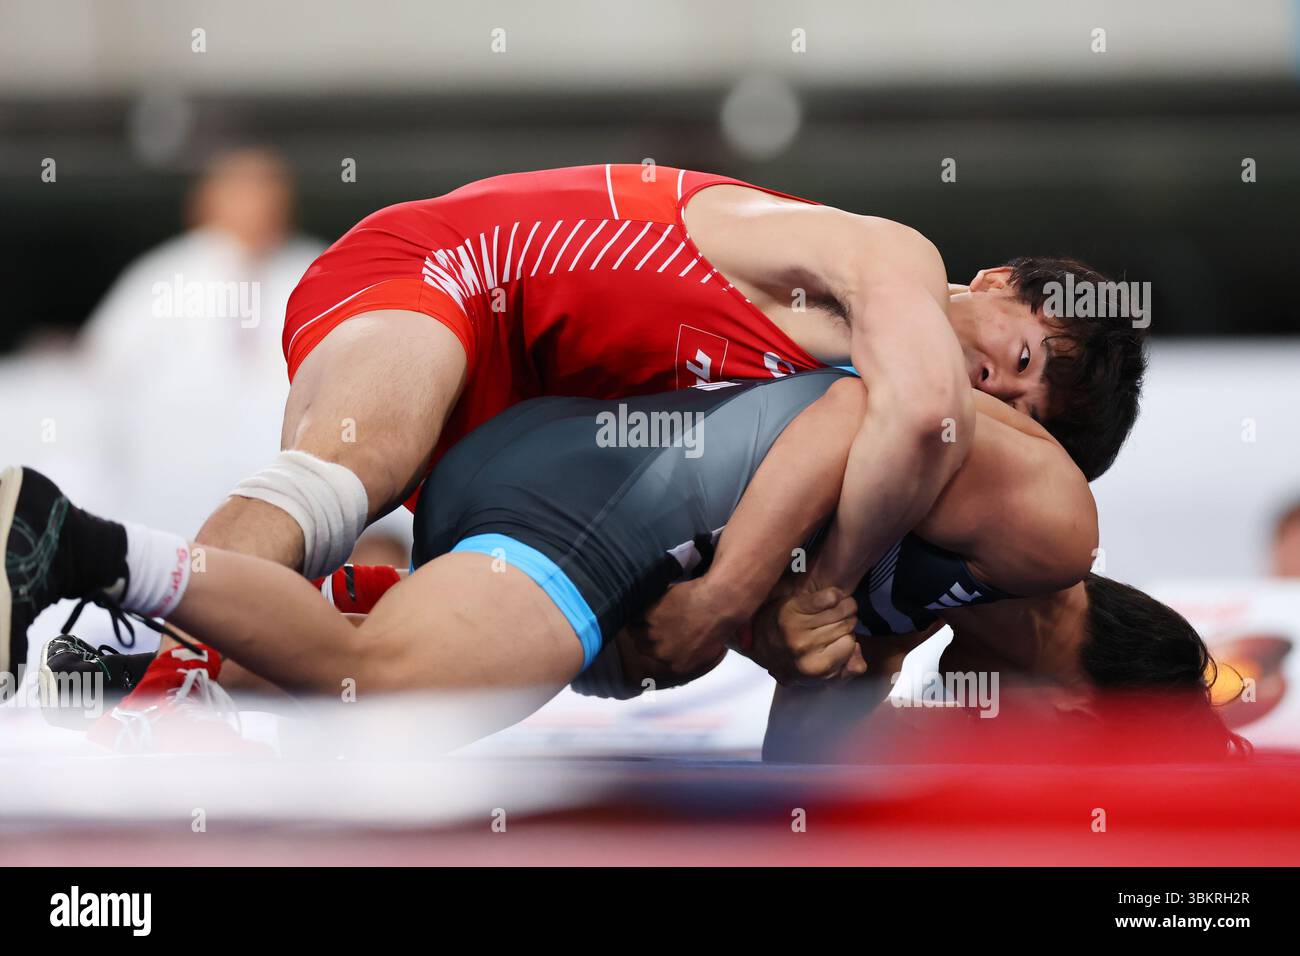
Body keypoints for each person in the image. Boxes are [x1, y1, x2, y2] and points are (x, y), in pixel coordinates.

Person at [189, 163, 1146, 693]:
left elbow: (718, 559)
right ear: (993, 283)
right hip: (457, 271)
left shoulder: (842, 443)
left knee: (435, 677)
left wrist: (790, 626)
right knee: (360, 462)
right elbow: (928, 413)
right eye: (1019, 359)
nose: (989, 389)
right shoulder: (890, 259)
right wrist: (821, 590)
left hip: (529, 425)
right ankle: (164, 653)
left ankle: (130, 667)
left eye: (1017, 412)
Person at [5, 362, 1097, 750]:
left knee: (620, 663)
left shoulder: (919, 615)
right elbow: (866, 410)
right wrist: (746, 596)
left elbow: (801, 785)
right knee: (393, 691)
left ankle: (166, 663)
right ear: (1071, 684)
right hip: (603, 499)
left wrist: (805, 640)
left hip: (554, 473)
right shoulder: (1053, 523)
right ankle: (70, 539)